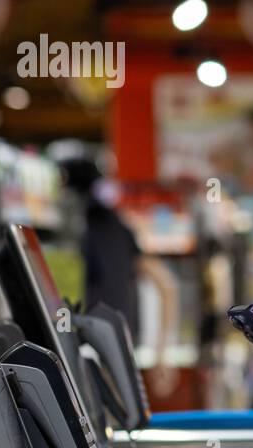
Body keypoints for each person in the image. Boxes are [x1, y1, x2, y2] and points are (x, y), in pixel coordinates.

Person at [59, 156, 180, 399]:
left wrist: (163, 355)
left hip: (92, 354)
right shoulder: (114, 226)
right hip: (112, 350)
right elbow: (167, 285)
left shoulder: (85, 229)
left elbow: (166, 285)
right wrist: (163, 354)